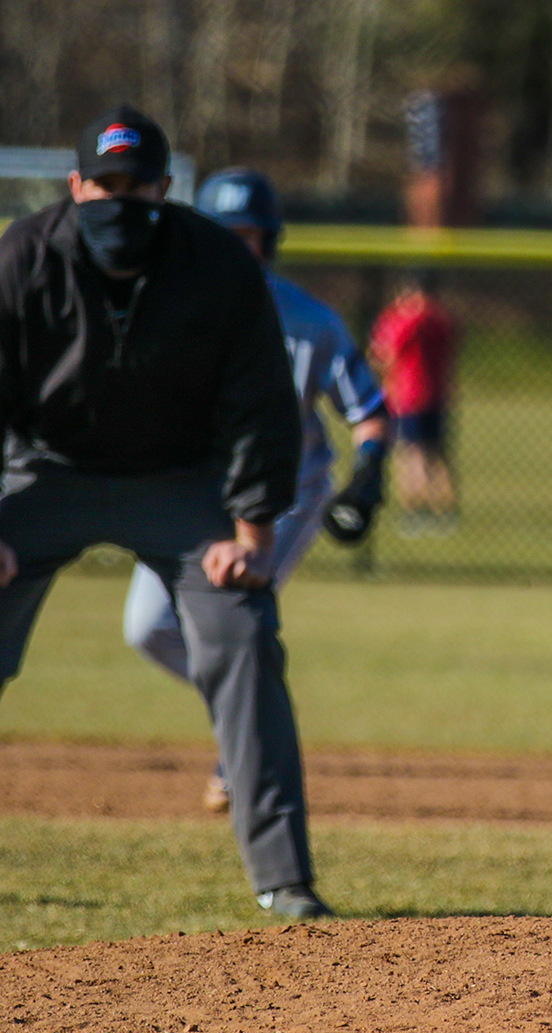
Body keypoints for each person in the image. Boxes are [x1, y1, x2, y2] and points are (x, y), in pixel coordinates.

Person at [0, 106, 332, 919]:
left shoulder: (214, 262)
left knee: (243, 631)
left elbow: (261, 402)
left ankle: (282, 880)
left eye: (137, 186)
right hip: (44, 473)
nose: (120, 200)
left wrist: (253, 532)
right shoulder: (23, 256)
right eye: (103, 185)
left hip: (180, 483)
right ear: (75, 186)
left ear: (163, 188)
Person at [121, 167, 390, 816]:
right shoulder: (165, 307)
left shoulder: (309, 321)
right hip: (190, 493)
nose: (238, 247)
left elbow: (370, 410)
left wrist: (368, 477)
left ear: (269, 241)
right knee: (147, 628)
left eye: (250, 235)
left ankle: (243, 743)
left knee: (237, 625)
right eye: (224, 234)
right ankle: (250, 715)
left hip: (284, 496)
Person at [369, 269, 458, 535]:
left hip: (407, 395)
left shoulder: (403, 318)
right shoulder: (441, 317)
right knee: (439, 454)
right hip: (438, 393)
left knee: (411, 455)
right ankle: (448, 511)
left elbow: (384, 354)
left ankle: (416, 512)